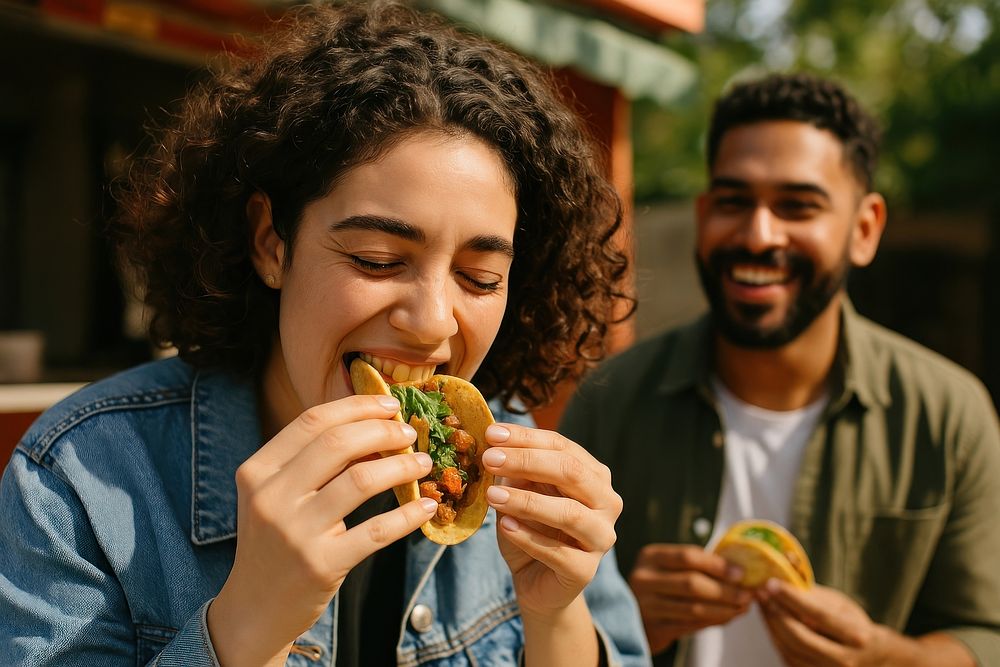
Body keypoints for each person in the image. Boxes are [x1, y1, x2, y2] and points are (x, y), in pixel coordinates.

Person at [0, 3, 650, 665]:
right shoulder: (86, 476)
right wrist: (247, 626)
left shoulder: (514, 473)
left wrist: (557, 613)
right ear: (270, 243)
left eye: (480, 277)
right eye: (375, 260)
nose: (431, 322)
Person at [560, 72, 1000, 667]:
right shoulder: (611, 400)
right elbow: (526, 611)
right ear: (704, 211)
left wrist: (882, 657)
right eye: (734, 201)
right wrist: (621, 617)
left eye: (798, 206)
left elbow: (983, 636)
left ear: (864, 229)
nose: (758, 234)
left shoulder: (948, 415)